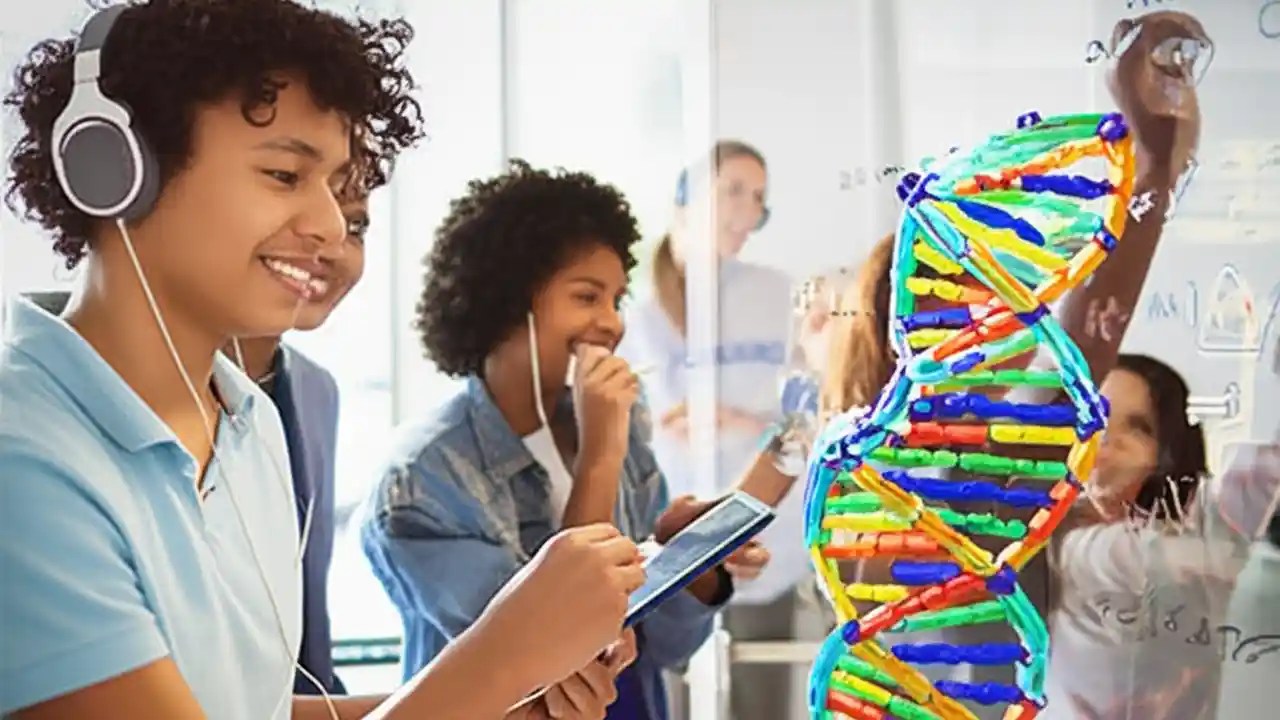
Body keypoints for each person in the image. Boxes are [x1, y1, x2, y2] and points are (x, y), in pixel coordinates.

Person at [0, 4, 644, 719]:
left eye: (336, 189)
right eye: (283, 174)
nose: (331, 228)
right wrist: (499, 659)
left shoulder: (247, 423)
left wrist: (505, 703)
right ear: (114, 171)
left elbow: (259, 711)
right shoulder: (21, 457)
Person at [360, 160, 772, 720]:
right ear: (510, 303)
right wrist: (600, 458)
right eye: (586, 297)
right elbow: (547, 661)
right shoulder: (422, 480)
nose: (612, 322)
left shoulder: (623, 422)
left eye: (617, 299)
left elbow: (667, 648)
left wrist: (689, 558)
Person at [616, 140, 808, 720]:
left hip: (765, 551)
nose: (747, 213)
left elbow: (808, 413)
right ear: (685, 198)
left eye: (758, 202)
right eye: (734, 192)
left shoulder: (778, 294)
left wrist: (745, 422)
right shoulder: (633, 311)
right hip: (667, 550)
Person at [221, 164, 375, 697]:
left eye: (356, 225)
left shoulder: (315, 392)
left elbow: (306, 638)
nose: (332, 238)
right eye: (284, 179)